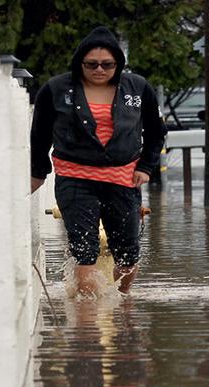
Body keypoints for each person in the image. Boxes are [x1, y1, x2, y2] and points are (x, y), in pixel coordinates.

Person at [30, 26, 166, 295]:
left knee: (127, 253)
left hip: (123, 180)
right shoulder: (56, 89)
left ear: (118, 63)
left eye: (107, 64)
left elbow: (156, 131)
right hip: (76, 179)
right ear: (80, 62)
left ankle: (123, 300)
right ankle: (87, 318)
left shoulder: (137, 88)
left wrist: (146, 167)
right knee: (84, 249)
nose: (99, 70)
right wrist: (38, 172)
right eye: (91, 64)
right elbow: (40, 134)